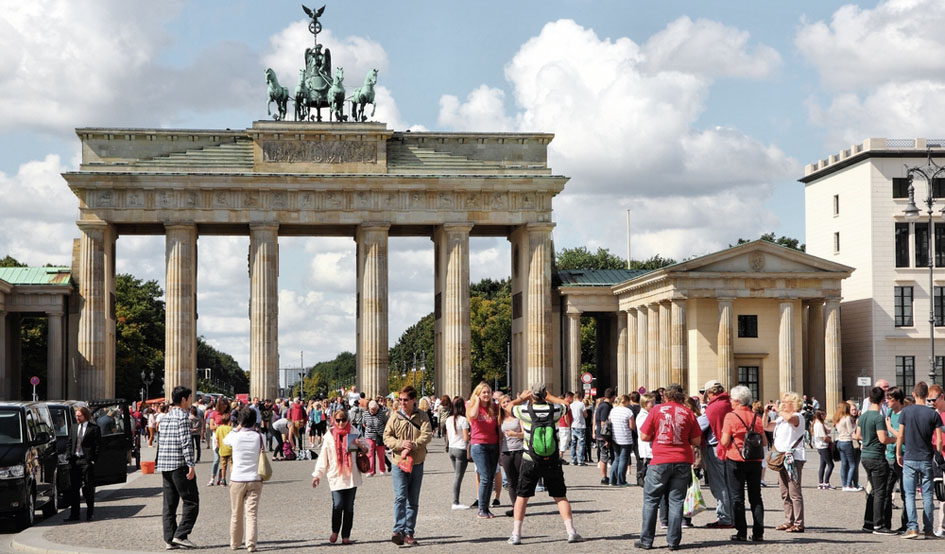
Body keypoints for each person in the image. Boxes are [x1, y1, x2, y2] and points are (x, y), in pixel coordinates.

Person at [506, 383, 583, 545]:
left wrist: (521, 398)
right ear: (544, 395)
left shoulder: (525, 411)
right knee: (560, 496)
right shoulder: (554, 411)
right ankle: (571, 532)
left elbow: (509, 407)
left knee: (522, 497)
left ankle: (516, 534)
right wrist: (550, 397)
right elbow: (566, 405)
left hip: (530, 459)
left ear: (532, 396)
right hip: (552, 460)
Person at [634, 383, 701, 551]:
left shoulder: (656, 410)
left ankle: (647, 540)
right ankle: (673, 541)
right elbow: (697, 441)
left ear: (666, 396)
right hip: (682, 460)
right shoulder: (688, 413)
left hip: (660, 461)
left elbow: (644, 436)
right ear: (681, 396)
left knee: (650, 501)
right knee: (676, 501)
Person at [383, 385, 433, 546]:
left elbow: (427, 435)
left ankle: (409, 532)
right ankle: (398, 530)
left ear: (413, 400)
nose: (402, 403)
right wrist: (400, 444)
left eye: (405, 400)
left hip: (417, 462)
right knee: (400, 496)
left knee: (413, 500)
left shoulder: (422, 416)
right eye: (400, 400)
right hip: (398, 462)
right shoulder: (395, 416)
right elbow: (386, 436)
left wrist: (412, 445)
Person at [895, 381, 945, 539]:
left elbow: (901, 435)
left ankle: (913, 528)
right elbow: (939, 441)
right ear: (926, 395)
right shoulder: (933, 414)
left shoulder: (906, 412)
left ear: (914, 395)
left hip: (909, 457)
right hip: (926, 458)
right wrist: (937, 454)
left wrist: (898, 453)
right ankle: (929, 530)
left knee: (909, 494)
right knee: (928, 495)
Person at [312, 405, 368, 545]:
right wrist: (317, 475)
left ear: (347, 420)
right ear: (333, 420)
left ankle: (346, 535)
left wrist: (361, 446)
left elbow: (366, 449)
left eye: (343, 420)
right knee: (337, 504)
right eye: (338, 420)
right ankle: (335, 530)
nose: (341, 423)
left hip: (351, 475)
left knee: (349, 507)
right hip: (336, 475)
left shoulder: (354, 432)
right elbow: (323, 457)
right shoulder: (329, 436)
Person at [720, 385, 766, 542]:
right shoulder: (756, 417)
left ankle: (741, 532)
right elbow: (764, 442)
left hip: (736, 459)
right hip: (755, 461)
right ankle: (758, 532)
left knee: (737, 497)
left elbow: (725, 441)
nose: (730, 402)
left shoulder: (731, 417)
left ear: (738, 401)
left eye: (732, 399)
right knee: (756, 497)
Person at [156, 386, 199, 549]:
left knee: (169, 504)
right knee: (191, 501)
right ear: (183, 399)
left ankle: (169, 539)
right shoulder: (183, 417)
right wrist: (191, 464)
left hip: (165, 465)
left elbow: (162, 441)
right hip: (179, 465)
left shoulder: (165, 417)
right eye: (189, 398)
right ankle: (181, 534)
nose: (190, 402)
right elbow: (186, 442)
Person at [856, 386, 895, 535]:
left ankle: (868, 523)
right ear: (883, 400)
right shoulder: (878, 417)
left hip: (865, 456)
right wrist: (896, 438)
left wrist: (867, 438)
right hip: (876, 456)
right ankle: (879, 525)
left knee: (872, 490)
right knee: (880, 492)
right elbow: (883, 439)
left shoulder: (864, 416)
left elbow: (857, 435)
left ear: (870, 399)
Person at [223, 407, 263, 552]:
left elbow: (225, 441)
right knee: (251, 514)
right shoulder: (259, 437)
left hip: (237, 478)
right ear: (254, 421)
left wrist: (236, 428)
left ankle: (235, 543)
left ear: (240, 421)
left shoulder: (235, 436)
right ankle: (251, 544)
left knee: (236, 513)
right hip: (255, 478)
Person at [765, 391, 806, 534]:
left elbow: (791, 419)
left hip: (793, 458)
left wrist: (779, 411)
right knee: (784, 492)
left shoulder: (797, 417)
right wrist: (766, 413)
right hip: (780, 457)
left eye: (785, 402)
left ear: (793, 404)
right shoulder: (781, 418)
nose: (782, 404)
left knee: (794, 491)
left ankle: (799, 523)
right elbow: (767, 427)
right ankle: (789, 520)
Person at [701, 380, 734, 529]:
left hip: (716, 448)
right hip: (731, 448)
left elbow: (698, 426)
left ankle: (725, 517)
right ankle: (732, 516)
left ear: (711, 392)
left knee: (719, 484)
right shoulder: (729, 403)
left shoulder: (714, 407)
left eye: (705, 393)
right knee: (729, 483)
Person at [467, 382, 501, 518]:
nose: (487, 395)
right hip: (478, 446)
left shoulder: (494, 407)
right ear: (478, 394)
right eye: (483, 392)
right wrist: (476, 401)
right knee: (485, 477)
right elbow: (473, 416)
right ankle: (481, 509)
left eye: (488, 392)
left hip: (493, 445)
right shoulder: (470, 406)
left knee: (490, 477)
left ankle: (486, 508)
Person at [66, 405, 101, 522]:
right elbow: (70, 443)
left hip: (86, 461)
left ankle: (90, 513)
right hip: (75, 461)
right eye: (76, 415)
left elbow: (98, 446)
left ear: (85, 416)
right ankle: (74, 514)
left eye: (79, 416)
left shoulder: (94, 428)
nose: (77, 418)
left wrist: (93, 460)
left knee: (88, 488)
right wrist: (68, 456)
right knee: (74, 489)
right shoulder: (74, 427)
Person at [882, 386, 907, 533]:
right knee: (886, 491)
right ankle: (886, 524)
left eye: (889, 399)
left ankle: (906, 524)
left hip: (903, 456)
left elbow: (901, 436)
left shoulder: (905, 414)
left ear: (897, 400)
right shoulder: (890, 412)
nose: (887, 402)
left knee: (905, 493)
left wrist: (889, 427)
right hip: (890, 456)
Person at [498, 394, 525, 518]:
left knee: (521, 480)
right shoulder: (500, 419)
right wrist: (499, 454)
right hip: (505, 452)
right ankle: (516, 507)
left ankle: (520, 507)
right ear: (500, 404)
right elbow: (499, 438)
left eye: (508, 401)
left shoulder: (519, 416)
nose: (506, 404)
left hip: (519, 450)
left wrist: (515, 434)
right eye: (503, 402)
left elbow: (525, 434)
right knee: (510, 482)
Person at [445, 396, 471, 510]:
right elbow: (466, 438)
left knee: (457, 475)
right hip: (460, 449)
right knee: (458, 476)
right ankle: (455, 502)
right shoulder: (463, 420)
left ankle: (456, 501)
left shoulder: (448, 419)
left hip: (452, 448)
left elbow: (448, 435)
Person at [608, 394, 636, 486]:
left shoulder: (613, 410)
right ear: (627, 401)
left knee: (616, 459)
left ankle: (612, 480)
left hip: (615, 437)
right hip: (625, 438)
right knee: (624, 459)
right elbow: (632, 426)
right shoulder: (628, 412)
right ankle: (621, 480)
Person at [832, 402, 858, 491]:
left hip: (840, 441)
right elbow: (851, 431)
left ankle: (844, 484)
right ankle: (848, 485)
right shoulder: (847, 418)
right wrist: (856, 425)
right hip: (847, 441)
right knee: (852, 465)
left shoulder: (838, 418)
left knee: (844, 464)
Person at [594, 388, 615, 485]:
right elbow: (604, 423)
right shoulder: (606, 407)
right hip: (603, 435)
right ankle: (604, 477)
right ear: (613, 397)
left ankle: (605, 477)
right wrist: (607, 438)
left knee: (604, 456)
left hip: (599, 434)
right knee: (604, 457)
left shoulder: (601, 405)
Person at [362, 400, 388, 476]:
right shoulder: (366, 414)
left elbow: (386, 422)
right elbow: (363, 423)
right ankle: (370, 471)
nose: (372, 411)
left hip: (380, 435)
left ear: (377, 408)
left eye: (374, 409)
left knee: (381, 454)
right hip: (369, 435)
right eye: (371, 409)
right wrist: (369, 429)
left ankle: (382, 470)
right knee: (370, 453)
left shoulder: (382, 414)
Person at [811, 410, 834, 489]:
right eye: (824, 415)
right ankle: (826, 483)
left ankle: (820, 483)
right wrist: (831, 440)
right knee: (831, 465)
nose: (825, 416)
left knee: (822, 465)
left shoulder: (816, 424)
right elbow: (824, 437)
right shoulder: (819, 424)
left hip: (819, 446)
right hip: (823, 446)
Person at [215, 410, 234, 486]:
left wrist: (219, 446)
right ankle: (232, 479)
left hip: (222, 449)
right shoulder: (230, 429)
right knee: (231, 464)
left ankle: (223, 479)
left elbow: (217, 439)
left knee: (223, 466)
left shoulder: (219, 429)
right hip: (230, 449)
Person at [569, 391, 588, 466]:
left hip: (573, 425)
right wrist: (586, 415)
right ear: (580, 397)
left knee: (573, 444)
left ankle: (573, 460)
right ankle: (580, 460)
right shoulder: (582, 404)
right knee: (581, 443)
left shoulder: (571, 405)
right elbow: (585, 414)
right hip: (581, 425)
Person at [557, 392, 574, 464]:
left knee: (562, 441)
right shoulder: (565, 405)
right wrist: (569, 425)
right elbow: (566, 416)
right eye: (572, 398)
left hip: (561, 425)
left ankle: (560, 457)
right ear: (569, 397)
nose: (572, 400)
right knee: (564, 441)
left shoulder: (562, 404)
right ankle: (560, 458)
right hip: (564, 425)